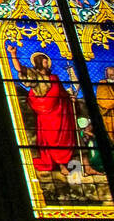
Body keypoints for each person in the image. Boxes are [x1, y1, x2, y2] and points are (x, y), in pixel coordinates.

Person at [5, 43, 77, 175]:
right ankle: (61, 166)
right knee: (51, 138)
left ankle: (67, 163)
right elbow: (20, 69)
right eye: (45, 61)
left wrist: (69, 97)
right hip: (46, 113)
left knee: (65, 137)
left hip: (60, 113)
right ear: (38, 62)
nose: (47, 64)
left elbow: (61, 92)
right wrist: (13, 55)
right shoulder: (35, 75)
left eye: (47, 61)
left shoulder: (54, 77)